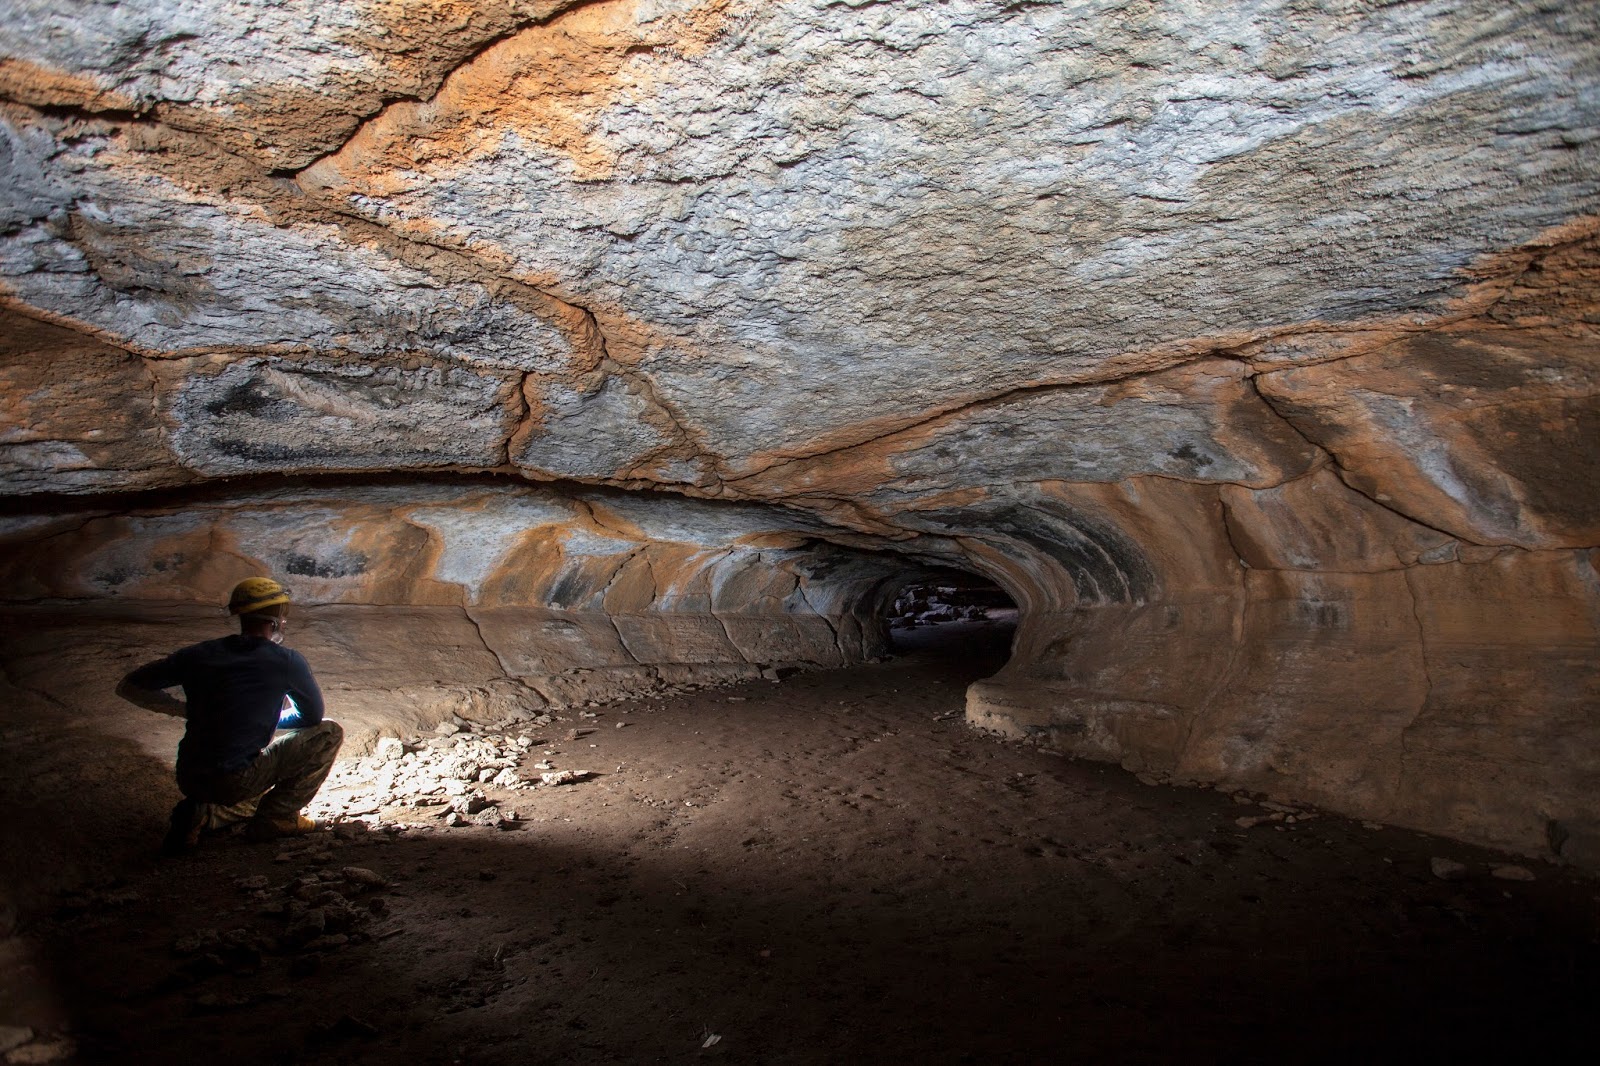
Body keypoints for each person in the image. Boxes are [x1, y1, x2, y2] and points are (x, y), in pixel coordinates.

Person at [118, 577, 343, 855]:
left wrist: (183, 710)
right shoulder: (285, 660)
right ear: (276, 619)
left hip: (190, 775)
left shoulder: (199, 654)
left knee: (233, 787)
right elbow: (312, 717)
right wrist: (271, 717)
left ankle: (202, 814)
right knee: (328, 733)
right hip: (237, 778)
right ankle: (277, 818)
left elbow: (129, 686)